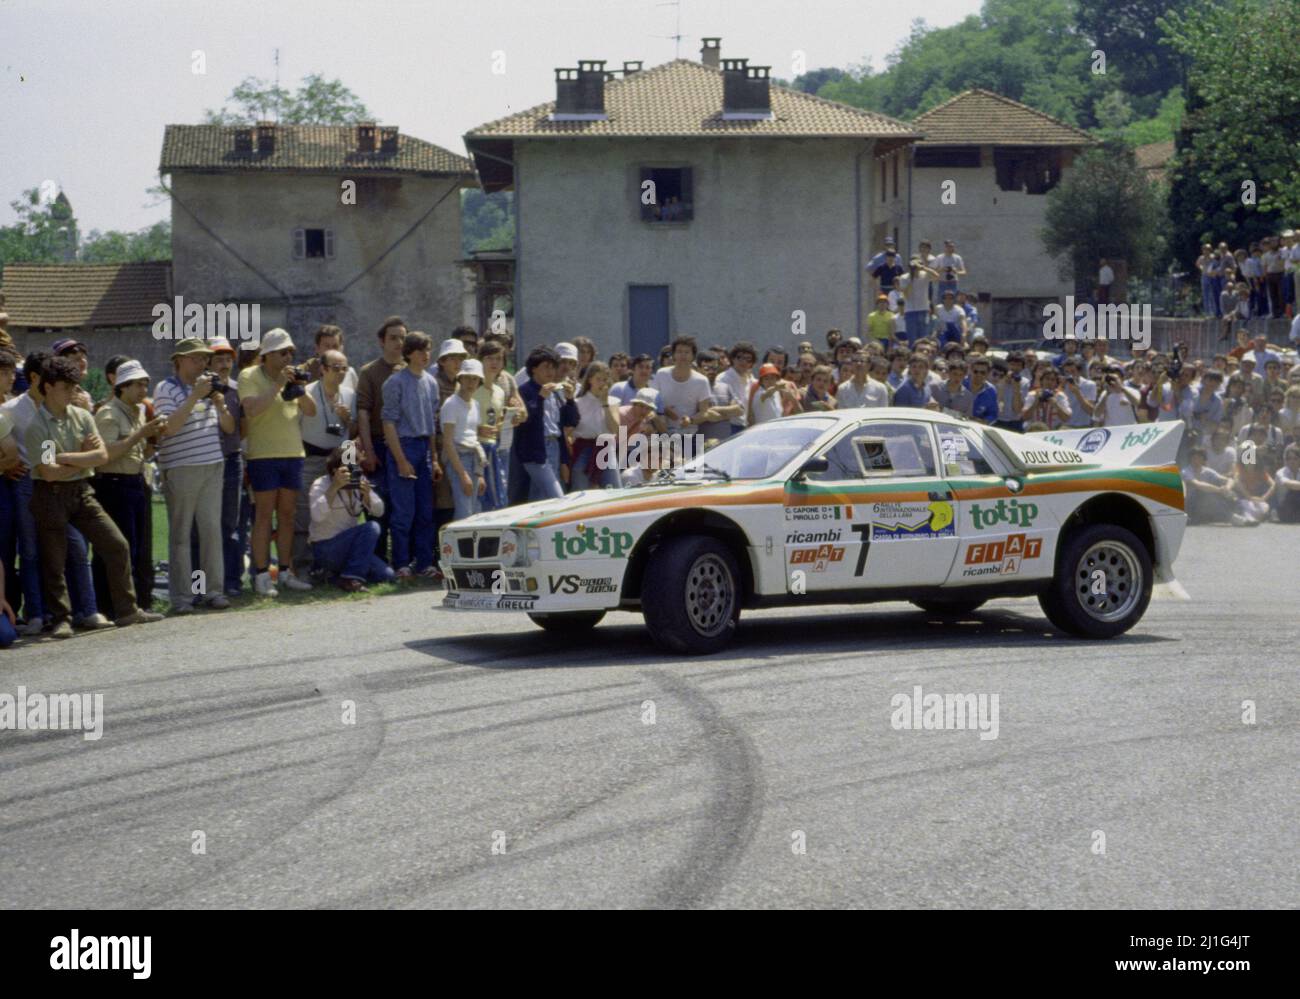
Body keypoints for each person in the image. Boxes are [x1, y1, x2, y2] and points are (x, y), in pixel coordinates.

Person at [25, 357, 163, 637]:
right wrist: (82, 459)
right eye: (66, 387)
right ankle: (61, 618)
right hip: (50, 495)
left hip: (82, 490)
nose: (72, 393)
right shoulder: (39, 425)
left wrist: (68, 458)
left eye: (74, 387)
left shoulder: (83, 416)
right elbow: (49, 473)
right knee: (55, 558)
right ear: (48, 387)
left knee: (116, 544)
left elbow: (100, 457)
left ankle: (127, 609)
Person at [155, 338, 236, 611]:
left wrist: (221, 405)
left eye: (204, 358)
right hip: (181, 468)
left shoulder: (209, 390)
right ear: (179, 361)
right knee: (181, 535)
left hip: (212, 465)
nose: (202, 363)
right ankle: (182, 597)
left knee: (210, 532)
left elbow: (228, 428)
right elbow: (169, 428)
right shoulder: (166, 388)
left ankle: (210, 591)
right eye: (195, 358)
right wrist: (193, 397)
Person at [238, 328, 317, 597]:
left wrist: (299, 389)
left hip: (293, 454)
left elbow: (311, 410)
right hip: (263, 456)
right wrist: (277, 385)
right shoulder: (249, 375)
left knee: (287, 516)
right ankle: (261, 574)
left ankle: (284, 572)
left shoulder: (291, 379)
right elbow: (251, 409)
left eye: (290, 352)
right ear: (268, 354)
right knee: (262, 517)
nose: (288, 357)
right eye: (283, 352)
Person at [91, 360, 166, 618]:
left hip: (134, 482)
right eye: (137, 384)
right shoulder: (108, 413)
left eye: (145, 383)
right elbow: (106, 454)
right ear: (122, 386)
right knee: (118, 548)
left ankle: (135, 603)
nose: (143, 388)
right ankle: (111, 606)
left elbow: (139, 452)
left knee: (137, 548)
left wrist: (153, 438)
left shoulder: (139, 411)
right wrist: (140, 434)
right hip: (114, 484)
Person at [381, 331, 443, 580]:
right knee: (403, 511)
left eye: (428, 350)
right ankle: (401, 562)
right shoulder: (395, 382)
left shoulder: (431, 382)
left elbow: (432, 424)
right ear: (408, 354)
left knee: (425, 511)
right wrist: (400, 459)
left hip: (424, 448)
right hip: (403, 445)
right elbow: (388, 423)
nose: (425, 355)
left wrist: (434, 458)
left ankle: (425, 562)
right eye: (419, 350)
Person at [293, 347, 356, 575]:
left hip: (338, 459)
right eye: (335, 368)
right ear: (323, 369)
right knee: (304, 515)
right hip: (310, 458)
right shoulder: (307, 392)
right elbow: (295, 428)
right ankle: (302, 568)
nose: (340, 373)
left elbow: (352, 435)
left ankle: (338, 566)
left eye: (344, 369)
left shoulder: (349, 394)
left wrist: (347, 420)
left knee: (343, 509)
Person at [308, 447, 395, 592]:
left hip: (351, 550)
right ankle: (351, 578)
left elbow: (379, 511)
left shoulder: (358, 481)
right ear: (335, 470)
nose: (353, 471)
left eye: (356, 466)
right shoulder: (321, 484)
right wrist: (334, 487)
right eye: (348, 468)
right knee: (371, 527)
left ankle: (335, 577)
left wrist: (367, 495)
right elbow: (317, 516)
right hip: (326, 548)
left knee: (387, 575)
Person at [356, 316, 407, 559]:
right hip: (377, 443)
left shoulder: (411, 370)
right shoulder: (369, 372)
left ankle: (403, 559)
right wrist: (368, 450)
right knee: (378, 504)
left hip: (406, 445)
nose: (399, 343)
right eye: (393, 338)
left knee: (403, 505)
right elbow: (363, 414)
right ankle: (376, 559)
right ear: (382, 341)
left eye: (402, 338)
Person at [206, 337, 247, 598]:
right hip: (204, 462)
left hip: (231, 459)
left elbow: (240, 429)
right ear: (208, 363)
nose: (224, 364)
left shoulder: (237, 390)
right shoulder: (198, 390)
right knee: (200, 529)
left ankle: (231, 582)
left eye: (227, 359)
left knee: (230, 525)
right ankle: (200, 586)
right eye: (218, 359)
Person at [516, 347, 575, 500]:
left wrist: (570, 400)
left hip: (554, 446)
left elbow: (569, 423)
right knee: (556, 496)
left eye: (553, 367)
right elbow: (526, 422)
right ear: (534, 369)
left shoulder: (554, 393)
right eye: (546, 367)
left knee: (539, 497)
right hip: (535, 451)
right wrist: (540, 398)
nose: (550, 372)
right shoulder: (525, 391)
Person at [439, 358, 488, 520]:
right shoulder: (451, 404)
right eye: (467, 377)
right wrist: (462, 474)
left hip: (473, 458)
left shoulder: (475, 404)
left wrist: (479, 474)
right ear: (460, 378)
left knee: (473, 510)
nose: (471, 382)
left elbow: (474, 437)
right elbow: (448, 441)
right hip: (458, 459)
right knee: (464, 512)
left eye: (475, 378)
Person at [473, 341, 513, 510]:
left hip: (495, 449)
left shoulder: (500, 392)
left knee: (498, 497)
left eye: (498, 359)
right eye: (489, 358)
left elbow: (498, 421)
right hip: (475, 450)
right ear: (480, 360)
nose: (494, 363)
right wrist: (476, 429)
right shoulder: (471, 388)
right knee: (480, 500)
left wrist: (508, 420)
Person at [652, 336, 713, 438]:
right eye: (679, 351)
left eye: (687, 352)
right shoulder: (661, 374)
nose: (683, 355)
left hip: (689, 435)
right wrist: (664, 410)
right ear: (674, 355)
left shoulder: (702, 381)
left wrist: (690, 420)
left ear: (693, 356)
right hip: (662, 433)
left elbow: (704, 412)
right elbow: (652, 402)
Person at [1181, 446, 1237, 523]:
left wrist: (1227, 488)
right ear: (1190, 459)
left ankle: (1235, 515)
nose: (1196, 460)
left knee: (1231, 495)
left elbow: (1229, 480)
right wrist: (1219, 490)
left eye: (1199, 458)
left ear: (1203, 459)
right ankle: (1231, 517)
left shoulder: (1207, 471)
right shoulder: (1186, 471)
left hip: (1204, 505)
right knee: (1204, 493)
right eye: (1194, 458)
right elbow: (1198, 484)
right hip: (1189, 503)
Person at [717, 342, 756, 436]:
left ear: (751, 363)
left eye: (748, 359)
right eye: (739, 357)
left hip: (747, 428)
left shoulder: (752, 380)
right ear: (732, 359)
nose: (743, 362)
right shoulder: (723, 378)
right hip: (729, 427)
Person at [304, 324, 358, 390]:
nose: (331, 350)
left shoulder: (350, 374)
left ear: (341, 348)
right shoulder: (305, 372)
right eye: (327, 346)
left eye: (335, 346)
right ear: (317, 348)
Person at [1021, 365, 1071, 430]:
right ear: (1042, 380)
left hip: (1053, 432)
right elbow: (1025, 417)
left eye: (1053, 380)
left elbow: (1066, 418)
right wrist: (1035, 403)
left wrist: (1055, 405)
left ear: (1056, 383)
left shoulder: (1060, 396)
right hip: (1034, 431)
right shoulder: (1032, 395)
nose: (1049, 382)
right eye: (1047, 379)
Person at [966, 357, 999, 425]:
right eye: (975, 371)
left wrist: (984, 421)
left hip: (976, 426)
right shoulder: (960, 382)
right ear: (971, 370)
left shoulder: (991, 391)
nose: (979, 375)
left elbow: (992, 414)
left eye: (982, 372)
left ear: (988, 373)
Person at [1274, 444, 1300, 523]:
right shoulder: (1280, 472)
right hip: (1285, 508)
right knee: (1294, 492)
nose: (1291, 461)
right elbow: (1289, 484)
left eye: (1295, 458)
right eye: (1289, 459)